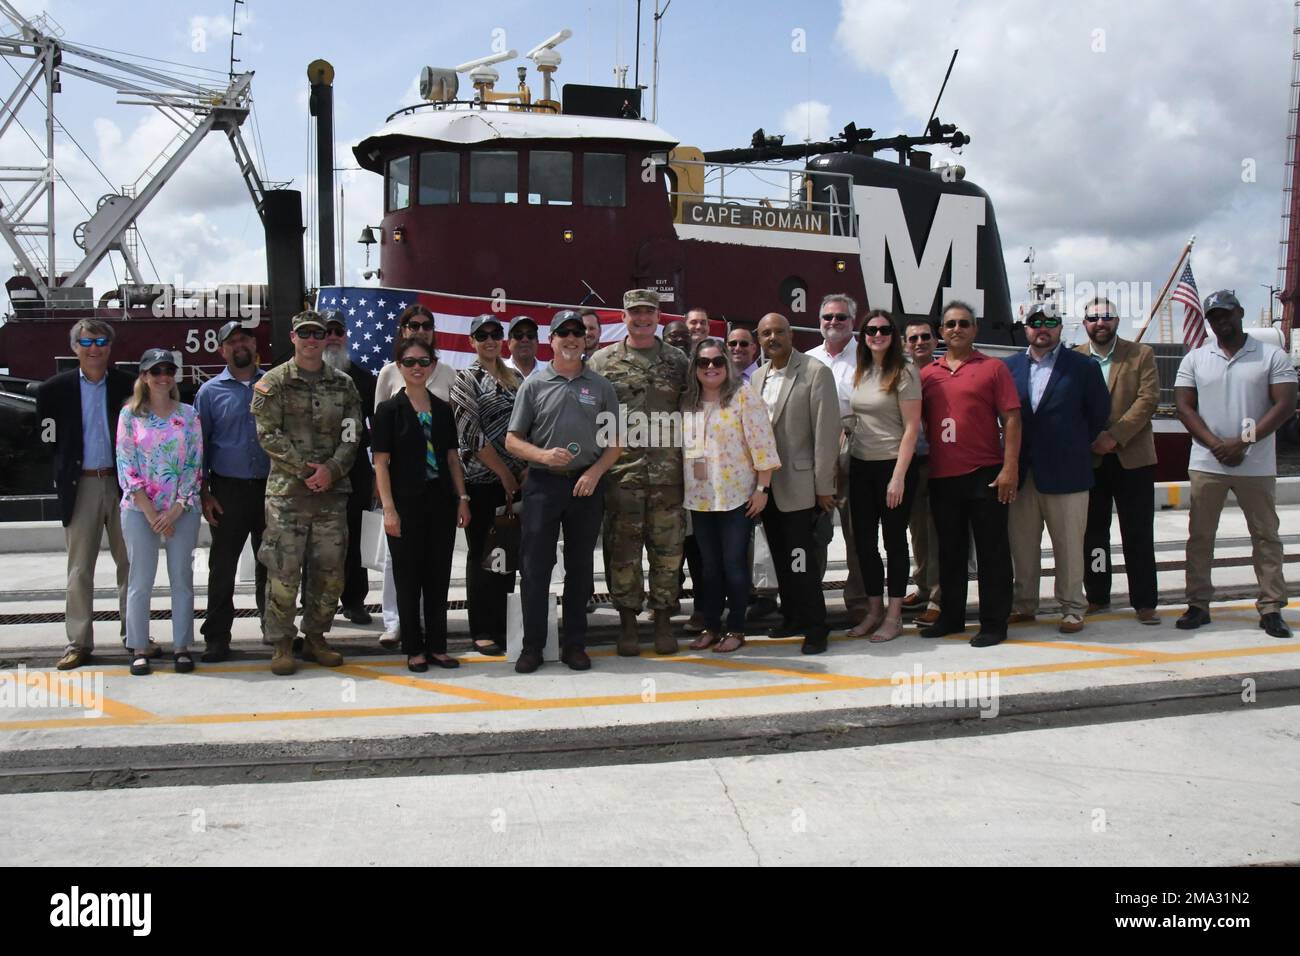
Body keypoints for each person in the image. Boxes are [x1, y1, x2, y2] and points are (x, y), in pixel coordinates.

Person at [1174, 290, 1297, 638]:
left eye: (1225, 314)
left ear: (1239, 313)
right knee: (1199, 537)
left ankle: (1271, 607)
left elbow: (1285, 404)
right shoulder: (1195, 359)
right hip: (1206, 461)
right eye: (1213, 316)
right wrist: (1216, 445)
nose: (1220, 321)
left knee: (1265, 537)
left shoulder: (1271, 355)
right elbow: (1184, 407)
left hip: (1255, 463)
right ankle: (1198, 604)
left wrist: (1242, 442)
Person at [505, 310, 621, 673]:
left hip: (586, 485)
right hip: (543, 485)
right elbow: (512, 439)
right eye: (563, 332)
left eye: (577, 332)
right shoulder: (534, 385)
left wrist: (595, 473)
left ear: (586, 340)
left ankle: (574, 644)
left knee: (581, 569)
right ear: (551, 340)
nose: (571, 338)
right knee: (536, 568)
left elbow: (616, 442)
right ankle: (533, 646)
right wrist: (541, 455)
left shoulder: (601, 387)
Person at [36, 319, 153, 670]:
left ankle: (133, 637)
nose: (94, 348)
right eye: (86, 342)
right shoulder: (52, 391)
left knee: (130, 564)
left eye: (101, 341)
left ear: (110, 346)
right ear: (74, 347)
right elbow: (46, 442)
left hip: (123, 484)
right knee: (79, 568)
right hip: (81, 483)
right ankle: (78, 643)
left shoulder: (127, 386)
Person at [251, 311, 362, 675]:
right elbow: (269, 434)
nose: (314, 340)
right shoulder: (274, 382)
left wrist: (331, 469)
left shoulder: (343, 385)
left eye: (320, 334)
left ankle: (316, 637)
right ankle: (282, 642)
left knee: (329, 570)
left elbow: (352, 433)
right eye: (306, 334)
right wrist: (305, 470)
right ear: (293, 337)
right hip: (288, 495)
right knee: (284, 570)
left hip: (331, 494)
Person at [589, 291, 690, 655]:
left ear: (658, 315)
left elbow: (691, 410)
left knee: (667, 552)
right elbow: (592, 414)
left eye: (649, 312)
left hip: (669, 476)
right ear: (624, 316)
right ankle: (628, 623)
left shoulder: (678, 360)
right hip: (621, 476)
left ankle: (663, 620)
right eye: (635, 313)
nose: (642, 318)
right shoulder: (603, 361)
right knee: (623, 553)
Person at [919, 301, 1022, 647]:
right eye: (950, 324)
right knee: (949, 552)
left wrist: (1010, 468)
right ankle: (951, 616)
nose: (957, 329)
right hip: (943, 476)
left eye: (964, 323)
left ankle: (994, 622)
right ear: (941, 331)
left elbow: (1011, 419)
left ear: (975, 330)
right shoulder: (928, 375)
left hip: (985, 473)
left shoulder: (993, 368)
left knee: (993, 552)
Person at [1004, 302, 1110, 634]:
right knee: (1021, 545)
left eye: (1050, 322)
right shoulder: (1007, 369)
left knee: (1068, 545)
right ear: (1026, 328)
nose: (1042, 328)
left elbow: (1098, 415)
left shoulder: (1083, 368)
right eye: (1035, 323)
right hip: (1022, 474)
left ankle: (1072, 607)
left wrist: (1071, 444)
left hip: (1067, 472)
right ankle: (1024, 604)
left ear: (1060, 328)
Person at [373, 337, 471, 671]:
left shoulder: (443, 409)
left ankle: (438, 646)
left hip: (440, 501)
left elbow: (452, 458)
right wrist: (388, 508)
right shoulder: (388, 410)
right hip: (404, 504)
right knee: (407, 577)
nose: (417, 367)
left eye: (424, 361)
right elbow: (381, 464)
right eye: (410, 361)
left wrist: (462, 498)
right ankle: (414, 648)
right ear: (399, 366)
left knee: (437, 575)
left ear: (432, 365)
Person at [750, 313, 841, 654]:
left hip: (801, 487)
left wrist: (823, 486)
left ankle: (816, 625)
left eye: (778, 331)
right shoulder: (757, 377)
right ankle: (793, 616)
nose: (772, 337)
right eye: (766, 333)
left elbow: (826, 434)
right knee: (781, 559)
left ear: (791, 334)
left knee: (802, 560)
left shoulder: (816, 372)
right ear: (760, 339)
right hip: (768, 487)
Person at [682, 338, 779, 652]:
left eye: (717, 362)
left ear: (727, 364)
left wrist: (762, 489)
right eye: (703, 362)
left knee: (734, 565)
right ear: (694, 368)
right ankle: (711, 625)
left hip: (737, 497)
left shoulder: (743, 397)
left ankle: (736, 628)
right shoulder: (688, 402)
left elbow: (763, 446)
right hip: (701, 498)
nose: (711, 368)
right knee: (709, 567)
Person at [116, 349, 204, 675]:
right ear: (144, 376)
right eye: (156, 371)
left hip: (182, 510)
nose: (163, 376)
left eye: (168, 370)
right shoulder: (129, 416)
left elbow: (195, 464)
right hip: (141, 511)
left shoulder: (190, 415)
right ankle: (139, 647)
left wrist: (177, 509)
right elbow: (127, 468)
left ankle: (182, 646)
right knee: (141, 580)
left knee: (182, 578)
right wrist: (152, 514)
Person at [1075, 296, 1162, 624]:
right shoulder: (1074, 358)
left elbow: (1148, 399)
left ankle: (1144, 601)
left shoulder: (1141, 355)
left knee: (1138, 532)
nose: (1101, 323)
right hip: (1091, 460)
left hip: (1133, 459)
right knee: (1094, 535)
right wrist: (1089, 440)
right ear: (1085, 323)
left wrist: (1115, 436)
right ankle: (1097, 594)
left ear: (1117, 321)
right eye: (1094, 318)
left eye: (1107, 317)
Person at [450, 314, 526, 656]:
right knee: (482, 556)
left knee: (506, 557)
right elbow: (472, 436)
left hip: (517, 484)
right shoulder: (465, 380)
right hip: (483, 484)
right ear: (472, 341)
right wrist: (504, 474)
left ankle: (503, 625)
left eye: (496, 334)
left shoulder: (516, 379)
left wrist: (524, 470)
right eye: (483, 335)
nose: (491, 340)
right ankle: (481, 629)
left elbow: (530, 425)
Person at [195, 320, 270, 663]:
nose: (240, 344)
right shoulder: (209, 393)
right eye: (233, 340)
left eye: (246, 338)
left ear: (255, 346)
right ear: (222, 349)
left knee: (271, 562)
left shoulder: (274, 384)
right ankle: (217, 636)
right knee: (222, 565)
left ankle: (275, 628)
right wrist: (204, 493)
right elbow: (200, 448)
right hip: (228, 490)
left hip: (271, 488)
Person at [846, 310, 921, 643]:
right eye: (870, 330)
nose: (877, 334)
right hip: (861, 465)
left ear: (894, 335)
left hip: (893, 464)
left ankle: (894, 614)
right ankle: (874, 610)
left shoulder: (904, 372)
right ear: (863, 336)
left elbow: (912, 429)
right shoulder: (861, 371)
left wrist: (899, 477)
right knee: (864, 543)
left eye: (884, 329)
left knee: (894, 542)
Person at [807, 293, 869, 623]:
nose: (833, 323)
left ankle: (859, 602)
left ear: (853, 322)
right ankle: (809, 600)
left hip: (857, 447)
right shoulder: (806, 359)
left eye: (841, 317)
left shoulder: (867, 357)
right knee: (814, 533)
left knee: (857, 533)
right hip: (817, 449)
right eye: (828, 317)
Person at [323, 310, 377, 625]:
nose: (332, 336)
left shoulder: (364, 379)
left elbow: (377, 432)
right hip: (314, 473)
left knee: (355, 539)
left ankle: (354, 600)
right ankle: (319, 604)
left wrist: (375, 478)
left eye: (337, 331)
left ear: (346, 335)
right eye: (326, 330)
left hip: (355, 471)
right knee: (319, 543)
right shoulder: (304, 375)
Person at [902, 319, 942, 626]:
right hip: (910, 462)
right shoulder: (902, 375)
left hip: (938, 462)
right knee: (918, 530)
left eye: (925, 337)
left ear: (934, 339)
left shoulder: (942, 374)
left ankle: (938, 597)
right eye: (913, 338)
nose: (919, 342)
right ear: (905, 343)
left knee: (937, 531)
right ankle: (923, 585)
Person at [505, 315, 544, 380]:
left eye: (530, 335)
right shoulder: (497, 371)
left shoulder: (550, 372)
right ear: (509, 343)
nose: (525, 339)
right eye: (518, 335)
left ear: (537, 342)